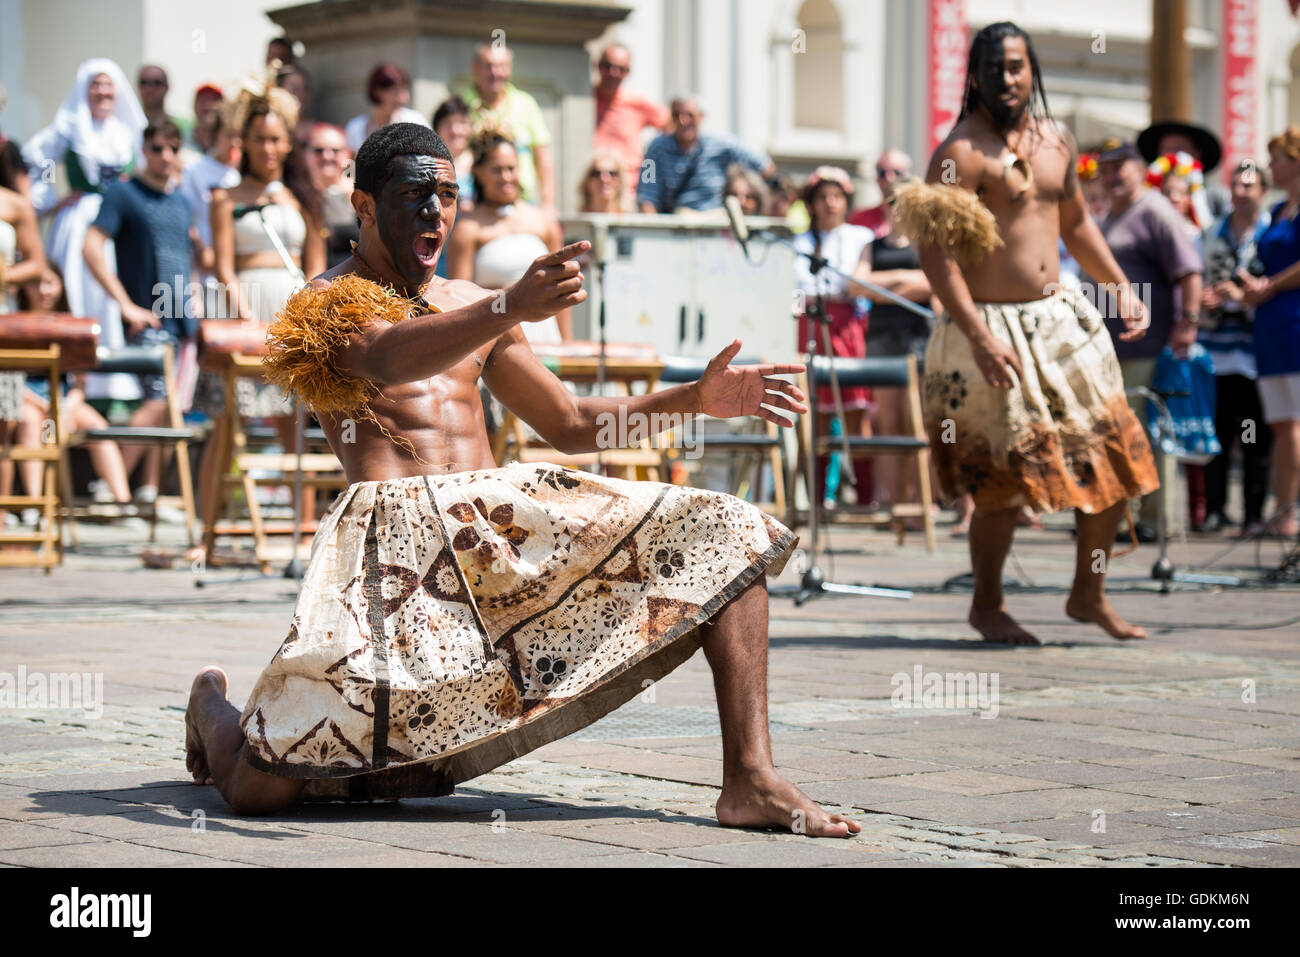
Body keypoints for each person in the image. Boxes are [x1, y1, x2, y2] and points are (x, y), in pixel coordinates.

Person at [183, 122, 859, 840]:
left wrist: (690, 400)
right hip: (394, 547)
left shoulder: (476, 301)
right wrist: (505, 306)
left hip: (492, 534)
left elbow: (568, 422)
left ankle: (750, 775)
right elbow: (385, 358)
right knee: (260, 790)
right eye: (415, 194)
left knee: (728, 533)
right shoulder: (323, 303)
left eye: (447, 194)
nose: (435, 211)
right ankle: (210, 704)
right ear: (365, 206)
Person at [900, 21, 1158, 645]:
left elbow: (1074, 224)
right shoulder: (959, 154)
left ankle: (1087, 594)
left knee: (1113, 458)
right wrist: (980, 338)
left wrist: (1120, 285)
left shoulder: (1056, 140)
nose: (1006, 79)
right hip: (987, 330)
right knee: (998, 482)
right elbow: (938, 257)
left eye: (1015, 67)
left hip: (1060, 321)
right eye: (993, 68)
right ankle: (986, 604)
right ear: (975, 76)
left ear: (1031, 70)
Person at [1089, 138, 1202, 542]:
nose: (1112, 174)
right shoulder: (1107, 218)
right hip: (1109, 349)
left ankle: (1154, 521)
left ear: (1140, 169)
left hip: (1148, 347)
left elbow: (1189, 271)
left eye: (1121, 166)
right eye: (1106, 167)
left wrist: (1187, 324)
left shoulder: (1154, 210)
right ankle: (1124, 517)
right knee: (1117, 433)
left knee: (1148, 433)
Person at [83, 119, 198, 501]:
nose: (166, 156)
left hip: (183, 320)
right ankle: (112, 486)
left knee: (172, 407)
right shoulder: (123, 194)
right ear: (143, 151)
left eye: (173, 148)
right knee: (159, 398)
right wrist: (125, 305)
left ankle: (148, 490)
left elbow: (189, 253)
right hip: (148, 316)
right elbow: (91, 245)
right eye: (157, 148)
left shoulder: (182, 201)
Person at [23, 58, 147, 410]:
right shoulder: (69, 128)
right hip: (79, 222)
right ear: (84, 89)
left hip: (117, 223)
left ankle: (111, 382)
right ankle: (76, 378)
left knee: (113, 291)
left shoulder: (128, 132)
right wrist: (49, 201)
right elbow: (36, 161)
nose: (102, 92)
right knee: (77, 291)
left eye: (108, 85)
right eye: (95, 85)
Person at [852, 151, 935, 512]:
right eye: (891, 201)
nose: (895, 207)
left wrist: (884, 287)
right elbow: (857, 285)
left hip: (918, 337)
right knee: (889, 424)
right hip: (883, 340)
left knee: (920, 424)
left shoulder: (926, 245)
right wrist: (907, 282)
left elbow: (934, 284)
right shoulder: (873, 245)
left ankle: (920, 504)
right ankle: (892, 503)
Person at [444, 123, 571, 343]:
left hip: (546, 337)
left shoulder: (543, 221)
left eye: (511, 168)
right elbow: (459, 301)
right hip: (494, 340)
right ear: (478, 172)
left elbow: (562, 291)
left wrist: (568, 345)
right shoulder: (467, 228)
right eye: (497, 169)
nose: (506, 177)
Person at [1199, 159, 1273, 537]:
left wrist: (1244, 296)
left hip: (1254, 352)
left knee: (1252, 435)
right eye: (1237, 186)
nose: (1241, 193)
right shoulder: (1212, 233)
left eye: (1249, 186)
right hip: (1216, 349)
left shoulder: (1271, 232)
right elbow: (1193, 277)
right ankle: (1214, 510)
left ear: (1262, 190)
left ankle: (1252, 514)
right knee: (1218, 434)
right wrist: (1205, 298)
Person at [793, 165, 874, 504]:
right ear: (811, 203)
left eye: (837, 196)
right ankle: (816, 499)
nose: (830, 203)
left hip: (844, 328)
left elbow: (852, 285)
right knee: (814, 415)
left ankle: (866, 496)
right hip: (806, 325)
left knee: (855, 413)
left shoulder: (860, 237)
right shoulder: (797, 242)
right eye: (823, 197)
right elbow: (796, 289)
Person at [1238, 128, 1300, 538]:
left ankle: (1289, 511)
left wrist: (1271, 286)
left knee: (1295, 420)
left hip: (1295, 320)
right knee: (1279, 422)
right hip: (1269, 325)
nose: (1271, 166)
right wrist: (1245, 285)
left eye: (1277, 158)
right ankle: (1281, 510)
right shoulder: (1278, 209)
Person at [637, 95, 773, 215]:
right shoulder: (655, 149)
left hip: (716, 223)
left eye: (690, 115)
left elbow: (765, 166)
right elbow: (646, 195)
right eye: (677, 115)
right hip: (676, 225)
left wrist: (741, 187)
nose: (683, 121)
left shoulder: (723, 144)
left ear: (701, 117)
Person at [459, 45, 555, 211]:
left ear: (510, 70)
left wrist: (548, 203)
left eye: (501, 66)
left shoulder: (526, 104)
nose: (495, 72)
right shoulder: (460, 106)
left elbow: (543, 158)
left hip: (521, 202)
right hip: (472, 205)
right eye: (488, 66)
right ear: (474, 69)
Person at [592, 43, 668, 206]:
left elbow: (672, 126)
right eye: (608, 66)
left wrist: (651, 171)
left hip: (627, 192)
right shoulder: (584, 100)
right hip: (592, 189)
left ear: (628, 72)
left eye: (621, 69)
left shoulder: (636, 103)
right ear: (598, 65)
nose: (614, 73)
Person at [344, 63, 428, 156]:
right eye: (396, 91)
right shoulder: (355, 127)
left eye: (405, 90)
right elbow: (349, 165)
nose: (404, 98)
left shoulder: (416, 121)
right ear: (377, 91)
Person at [303, 122, 356, 269]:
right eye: (318, 150)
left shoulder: (361, 194)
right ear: (305, 154)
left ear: (347, 154)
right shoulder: (296, 196)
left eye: (335, 150)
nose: (327, 156)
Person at [850, 148, 910, 236]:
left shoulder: (919, 220)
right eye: (882, 173)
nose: (889, 178)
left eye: (897, 172)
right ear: (877, 179)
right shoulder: (859, 220)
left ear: (908, 176)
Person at [431, 96, 474, 201]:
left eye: (462, 123)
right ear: (437, 129)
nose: (455, 130)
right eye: (448, 124)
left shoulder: (482, 161)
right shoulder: (428, 164)